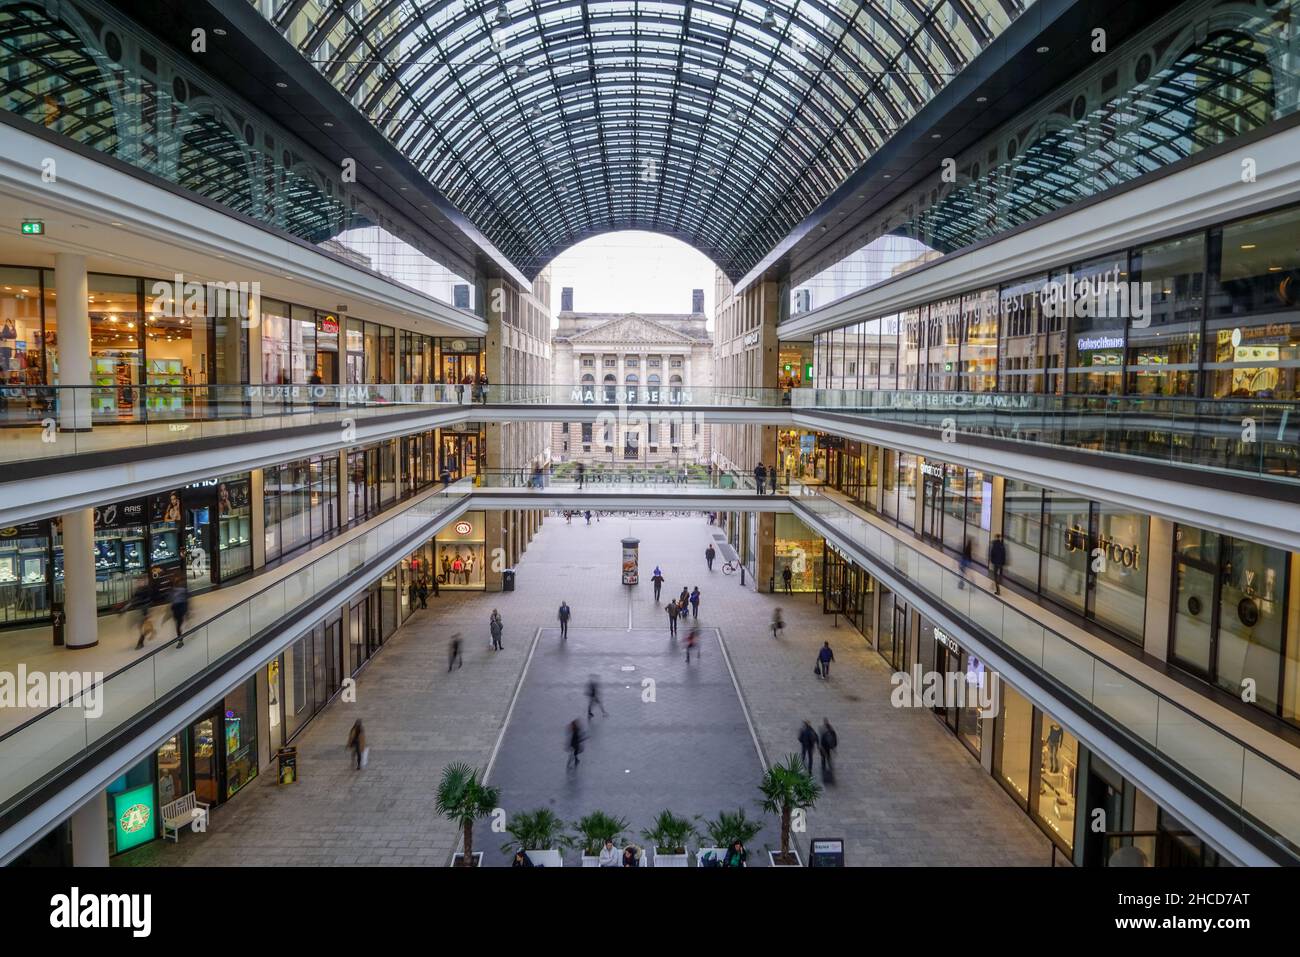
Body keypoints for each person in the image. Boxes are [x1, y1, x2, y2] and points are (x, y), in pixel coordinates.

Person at [169, 582, 189, 648]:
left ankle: (180, 641)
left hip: (179, 612)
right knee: (178, 627)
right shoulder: (176, 593)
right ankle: (180, 639)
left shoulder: (176, 594)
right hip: (178, 612)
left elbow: (175, 604)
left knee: (178, 627)